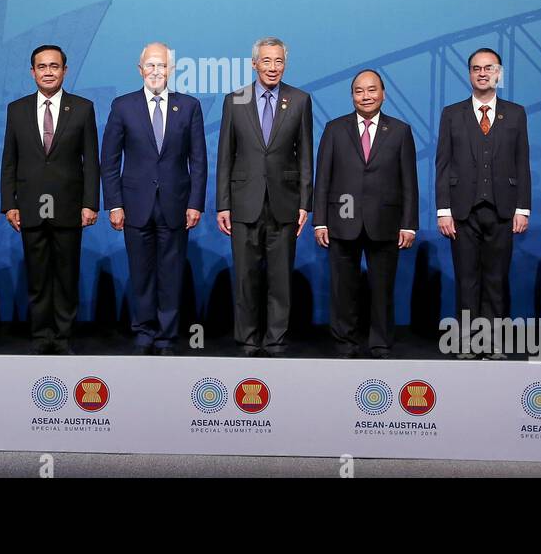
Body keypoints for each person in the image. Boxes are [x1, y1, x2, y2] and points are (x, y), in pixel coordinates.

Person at [101, 42, 206, 356]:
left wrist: (195, 203)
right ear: (140, 69)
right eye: (150, 65)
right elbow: (109, 160)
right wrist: (115, 203)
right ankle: (144, 332)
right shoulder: (123, 106)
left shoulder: (188, 106)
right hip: (135, 205)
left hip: (176, 203)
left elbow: (198, 161)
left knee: (171, 274)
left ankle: (166, 336)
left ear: (171, 70)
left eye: (162, 66)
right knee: (141, 272)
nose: (156, 71)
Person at [216, 37, 313, 357]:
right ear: (254, 63)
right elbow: (225, 156)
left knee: (280, 278)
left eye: (279, 62)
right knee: (245, 277)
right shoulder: (235, 100)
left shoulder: (299, 100)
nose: (273, 68)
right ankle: (247, 339)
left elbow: (305, 157)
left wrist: (304, 202)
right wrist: (223, 204)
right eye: (266, 61)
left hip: (285, 202)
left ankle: (275, 340)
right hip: (244, 202)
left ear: (285, 64)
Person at [1, 45, 100, 356]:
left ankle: (63, 335)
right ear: (32, 72)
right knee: (38, 274)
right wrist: (9, 203)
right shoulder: (16, 109)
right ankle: (41, 334)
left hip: (69, 204)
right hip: (30, 204)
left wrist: (90, 203)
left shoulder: (82, 108)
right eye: (41, 66)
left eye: (54, 66)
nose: (47, 71)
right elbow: (9, 161)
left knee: (66, 273)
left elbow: (91, 162)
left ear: (64, 71)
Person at [313, 70, 418, 358]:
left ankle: (381, 342)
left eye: (372, 90)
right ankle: (345, 342)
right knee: (342, 290)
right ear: (352, 96)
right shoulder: (335, 129)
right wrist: (319, 220)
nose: (366, 96)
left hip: (385, 223)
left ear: (383, 94)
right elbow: (323, 178)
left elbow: (409, 181)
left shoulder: (400, 131)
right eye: (359, 91)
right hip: (341, 221)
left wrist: (409, 224)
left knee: (382, 290)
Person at [434, 47, 530, 359]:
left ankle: (494, 343)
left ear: (499, 73)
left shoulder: (515, 113)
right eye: (476, 68)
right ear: (470, 73)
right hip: (462, 211)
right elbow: (443, 164)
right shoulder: (452, 113)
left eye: (489, 68)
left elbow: (522, 162)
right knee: (466, 278)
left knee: (496, 278)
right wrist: (443, 210)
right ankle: (466, 342)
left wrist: (523, 208)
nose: (483, 73)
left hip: (503, 208)